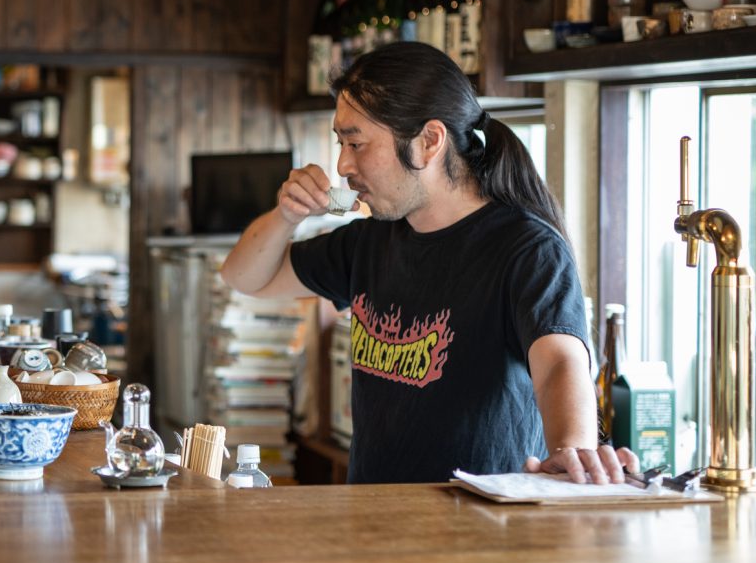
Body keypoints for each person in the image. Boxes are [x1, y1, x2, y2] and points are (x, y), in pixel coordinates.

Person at [221, 42, 637, 486]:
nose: (343, 164)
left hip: (479, 522)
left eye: (356, 143)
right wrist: (286, 215)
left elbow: (558, 363)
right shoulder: (371, 239)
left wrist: (571, 451)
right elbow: (244, 277)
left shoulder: (526, 249)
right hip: (372, 519)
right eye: (341, 143)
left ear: (429, 142)